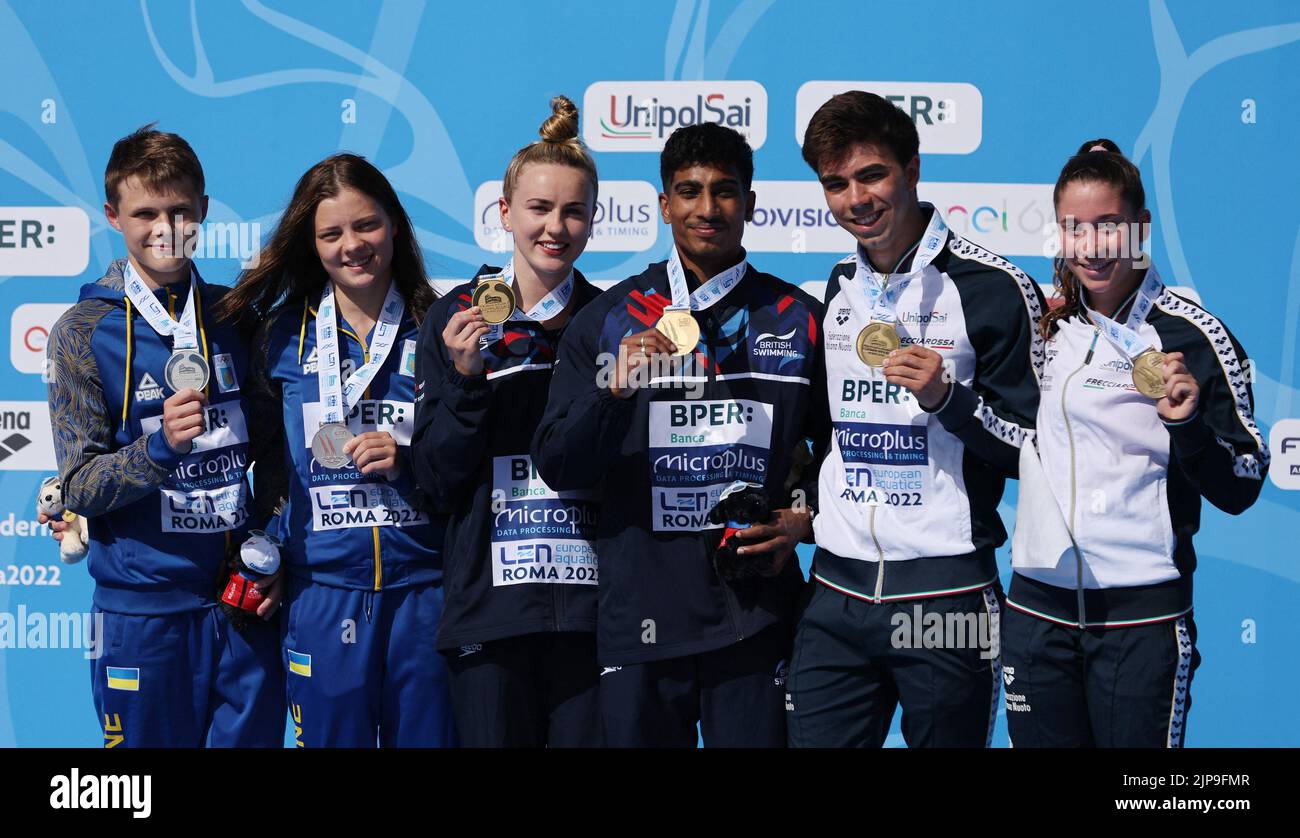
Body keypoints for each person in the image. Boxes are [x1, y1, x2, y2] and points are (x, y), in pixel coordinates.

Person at [532, 122, 824, 747]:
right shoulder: (608, 320)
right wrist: (613, 388)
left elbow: (846, 455)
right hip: (640, 612)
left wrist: (805, 522)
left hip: (755, 612)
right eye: (688, 192)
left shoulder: (799, 319)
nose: (707, 209)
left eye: (725, 192)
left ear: (750, 203)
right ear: (664, 205)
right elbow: (558, 463)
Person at [786, 91, 1045, 747]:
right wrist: (801, 509)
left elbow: (1039, 453)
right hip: (836, 591)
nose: (856, 199)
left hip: (945, 598)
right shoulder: (839, 283)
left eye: (872, 175)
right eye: (835, 184)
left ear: (913, 169)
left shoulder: (993, 287)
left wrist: (948, 398)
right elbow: (830, 430)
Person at [1002, 139, 1268, 747]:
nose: (1090, 247)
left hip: (1140, 617)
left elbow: (1244, 482)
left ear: (1141, 227)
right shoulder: (1048, 324)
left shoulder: (1193, 335)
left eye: (1108, 227)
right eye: (1074, 228)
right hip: (1037, 611)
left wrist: (1188, 427)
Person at [45, 125, 285, 747]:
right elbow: (78, 485)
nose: (165, 228)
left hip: (241, 605)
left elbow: (281, 452)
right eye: (145, 213)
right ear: (112, 217)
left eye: (180, 211)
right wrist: (158, 448)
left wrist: (270, 546)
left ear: (204, 210)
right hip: (142, 615)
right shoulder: (82, 332)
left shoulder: (236, 317)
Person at [216, 153, 454, 747]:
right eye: (332, 233)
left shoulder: (440, 324)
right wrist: (263, 548)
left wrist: (407, 463)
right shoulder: (277, 336)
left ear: (394, 224)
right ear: (312, 242)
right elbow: (260, 461)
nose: (353, 245)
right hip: (322, 596)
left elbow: (465, 454)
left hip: (424, 592)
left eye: (366, 225)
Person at [409, 96, 604, 747]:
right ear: (505, 214)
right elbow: (434, 480)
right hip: (489, 614)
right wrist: (466, 382)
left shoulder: (614, 321)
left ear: (594, 220)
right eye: (539, 209)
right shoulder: (455, 319)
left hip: (592, 614)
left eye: (573, 211)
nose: (556, 227)